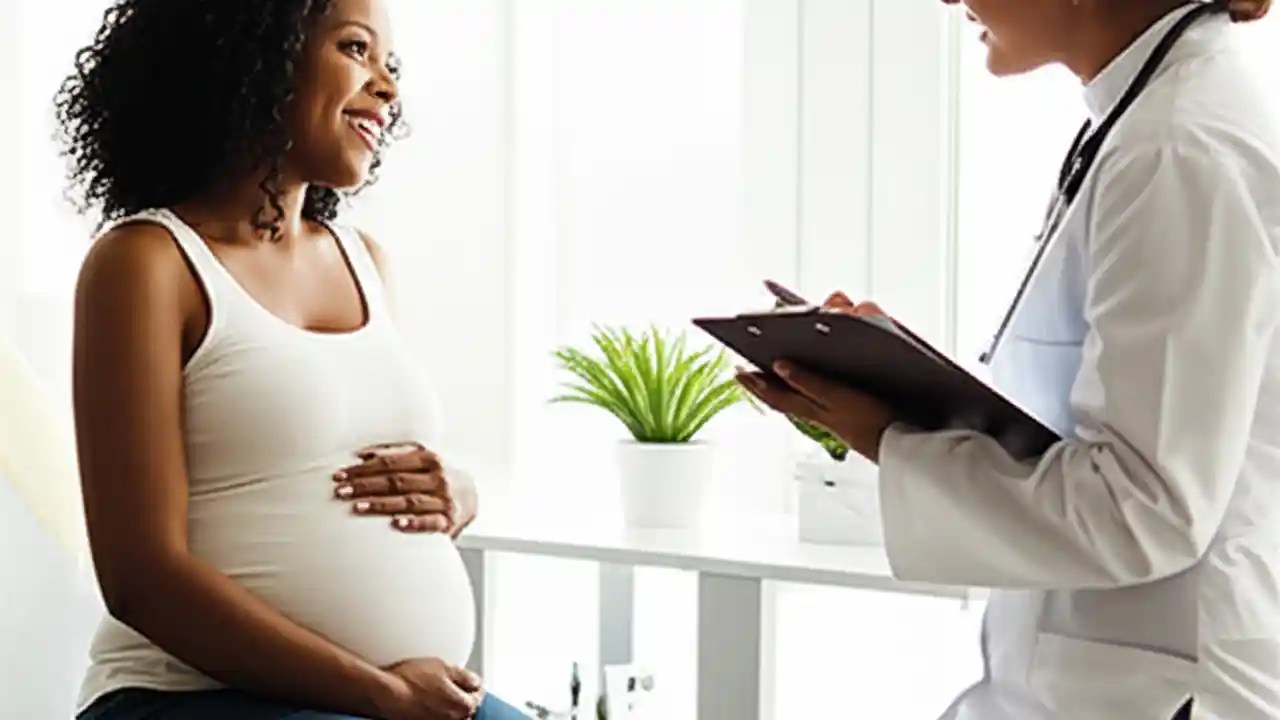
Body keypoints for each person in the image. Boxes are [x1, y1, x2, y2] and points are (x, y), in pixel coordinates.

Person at [738, 0, 1280, 718]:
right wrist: (909, 393)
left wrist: (887, 437)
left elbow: (1145, 509)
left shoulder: (1176, 149)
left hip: (1154, 690)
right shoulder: (1146, 121)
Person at [58, 1, 525, 718]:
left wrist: (458, 493)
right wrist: (383, 692)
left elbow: (328, 457)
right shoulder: (147, 262)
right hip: (189, 695)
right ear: (256, 56)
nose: (388, 90)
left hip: (385, 696)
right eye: (356, 49)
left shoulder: (365, 262)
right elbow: (140, 578)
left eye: (391, 67)